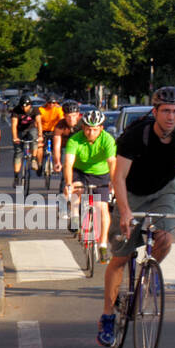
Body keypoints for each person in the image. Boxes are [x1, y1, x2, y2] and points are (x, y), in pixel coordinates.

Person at [98, 86, 175, 348]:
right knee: (120, 257)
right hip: (130, 192)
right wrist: (125, 211)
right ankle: (108, 315)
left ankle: (146, 275)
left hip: (163, 190)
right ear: (155, 111)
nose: (171, 117)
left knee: (165, 237)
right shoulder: (135, 135)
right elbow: (118, 177)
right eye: (165, 111)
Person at [63, 109, 117, 262]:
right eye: (87, 129)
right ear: (82, 127)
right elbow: (68, 163)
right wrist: (68, 184)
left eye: (94, 129)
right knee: (76, 191)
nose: (90, 132)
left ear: (101, 128)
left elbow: (112, 162)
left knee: (102, 208)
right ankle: (74, 217)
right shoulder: (75, 140)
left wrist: (113, 181)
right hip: (80, 172)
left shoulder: (108, 139)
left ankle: (103, 245)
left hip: (101, 175)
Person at [9, 94, 40, 187]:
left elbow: (39, 123)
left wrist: (41, 135)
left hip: (31, 129)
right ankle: (16, 177)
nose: (24, 108)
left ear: (30, 105)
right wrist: (15, 137)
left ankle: (34, 160)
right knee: (18, 153)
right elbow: (14, 125)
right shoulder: (16, 110)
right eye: (22, 106)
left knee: (34, 137)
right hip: (20, 131)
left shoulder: (35, 110)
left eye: (26, 106)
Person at [51, 101, 83, 183]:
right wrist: (57, 162)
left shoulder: (84, 123)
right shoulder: (60, 125)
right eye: (68, 116)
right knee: (66, 167)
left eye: (74, 116)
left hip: (81, 148)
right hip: (66, 148)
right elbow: (57, 146)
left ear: (78, 115)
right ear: (64, 116)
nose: (71, 119)